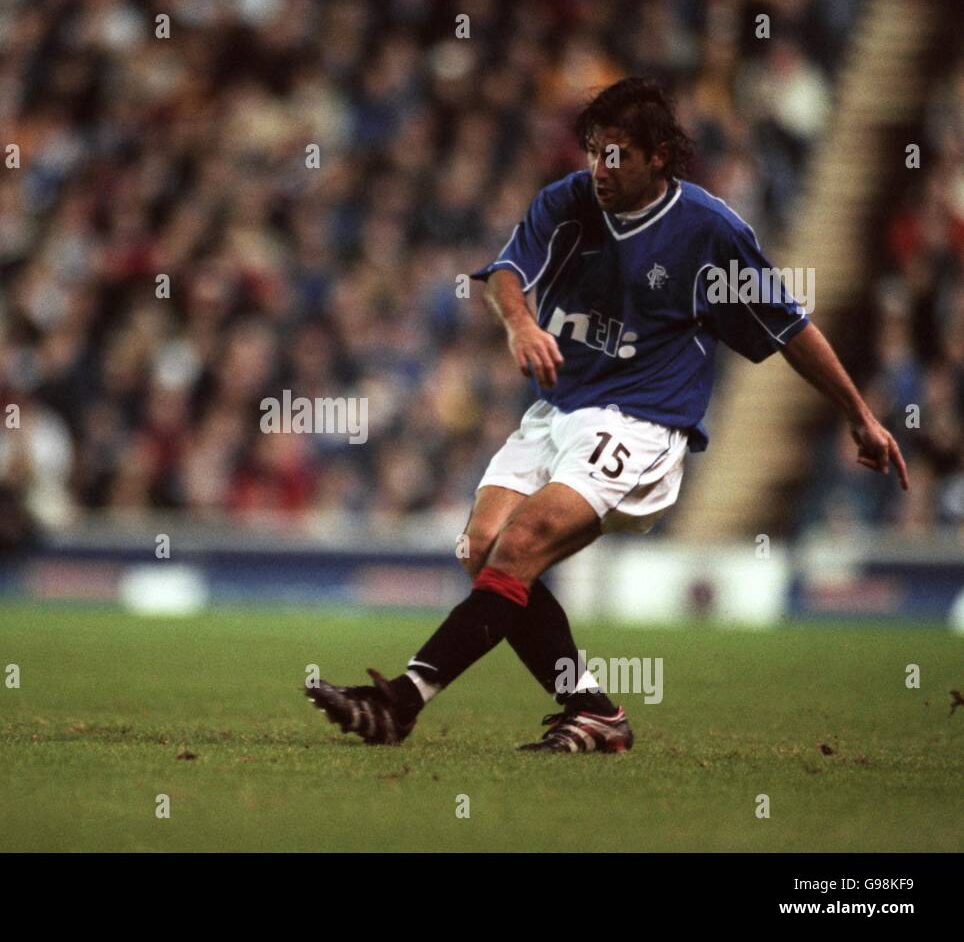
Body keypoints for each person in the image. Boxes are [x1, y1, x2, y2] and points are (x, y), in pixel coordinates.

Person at [306, 77, 908, 753]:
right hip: (558, 410)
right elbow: (506, 271)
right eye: (593, 151)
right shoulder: (567, 201)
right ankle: (594, 710)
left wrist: (860, 414)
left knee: (523, 543)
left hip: (641, 420)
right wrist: (519, 326)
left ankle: (402, 701)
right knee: (482, 550)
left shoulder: (710, 231)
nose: (600, 169)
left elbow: (790, 328)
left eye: (616, 154)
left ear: (659, 156)